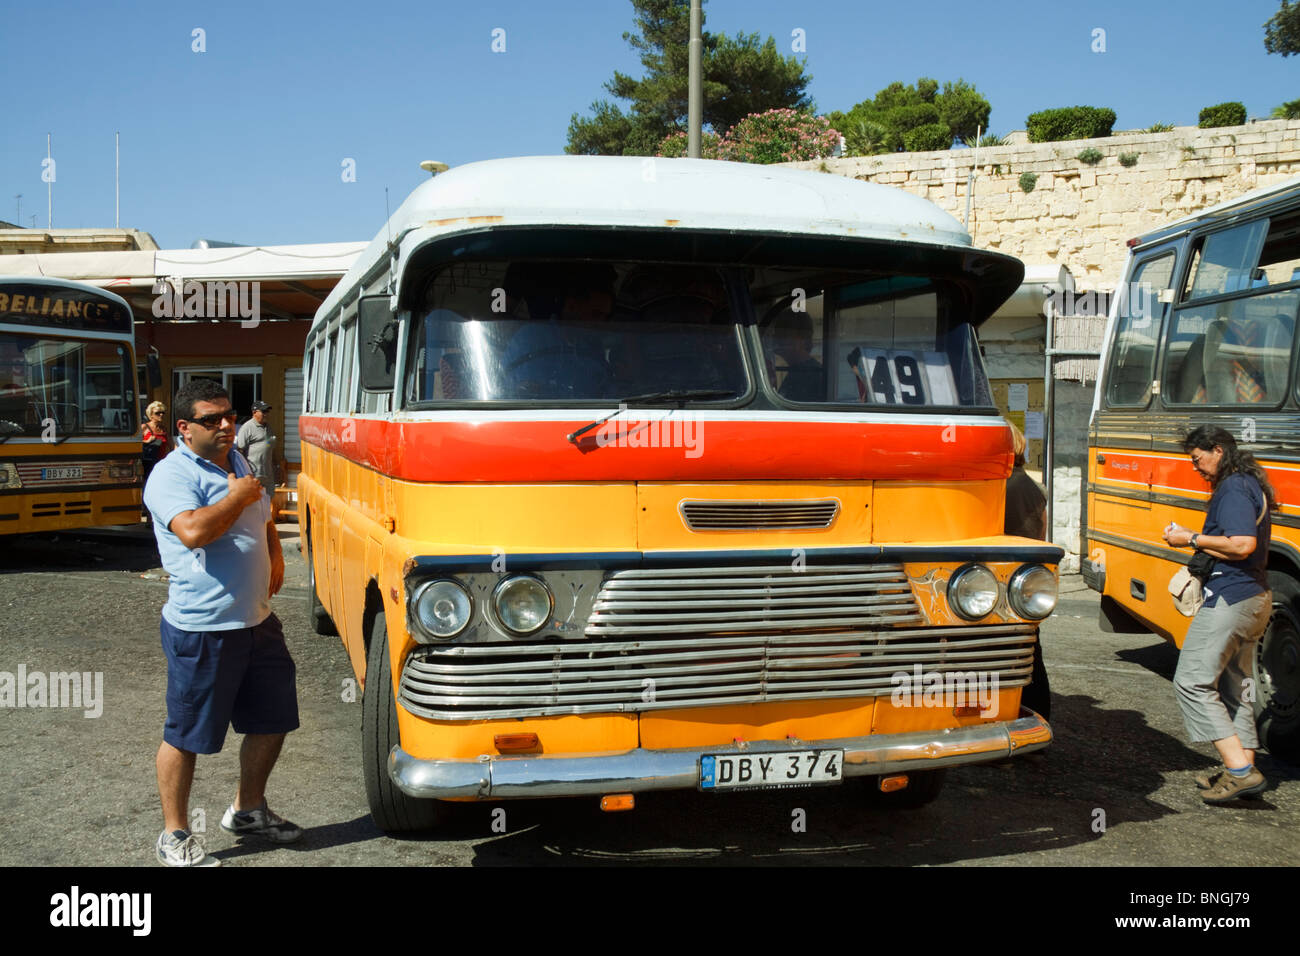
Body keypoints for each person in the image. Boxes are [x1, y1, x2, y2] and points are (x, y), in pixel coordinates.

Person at [143, 378, 297, 866]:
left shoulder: (237, 460)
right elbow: (192, 532)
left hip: (257, 622)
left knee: (273, 720)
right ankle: (174, 834)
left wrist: (274, 553)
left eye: (229, 415)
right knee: (186, 735)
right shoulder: (171, 475)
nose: (228, 424)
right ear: (185, 428)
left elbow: (264, 513)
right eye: (213, 419)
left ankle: (248, 810)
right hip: (204, 627)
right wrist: (237, 496)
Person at [1161, 425, 1276, 804]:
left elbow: (1242, 543)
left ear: (1217, 450)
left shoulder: (1232, 487)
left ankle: (1241, 771)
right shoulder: (1249, 483)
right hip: (1255, 599)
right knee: (1236, 688)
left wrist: (1190, 538)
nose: (1196, 468)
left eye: (1197, 459)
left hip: (1231, 600)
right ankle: (1240, 769)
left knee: (1192, 681)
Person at [1002, 421, 1050, 717]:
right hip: (1027, 579)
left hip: (1005, 579)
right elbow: (1041, 531)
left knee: (1011, 656)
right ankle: (1037, 716)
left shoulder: (1004, 485)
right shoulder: (1033, 486)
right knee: (1030, 652)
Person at [234, 400, 279, 502]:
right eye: (263, 411)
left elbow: (270, 447)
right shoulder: (247, 428)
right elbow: (239, 452)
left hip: (268, 474)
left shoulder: (269, 428)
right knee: (254, 503)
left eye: (267, 411)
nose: (266, 414)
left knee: (268, 501)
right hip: (253, 474)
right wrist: (244, 473)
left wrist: (276, 466)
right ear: (254, 413)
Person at [140, 401, 170, 481]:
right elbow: (134, 444)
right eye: (158, 413)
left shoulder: (164, 429)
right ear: (151, 415)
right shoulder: (144, 427)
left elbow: (172, 445)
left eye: (163, 412)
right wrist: (147, 441)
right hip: (147, 463)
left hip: (161, 463)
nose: (161, 415)